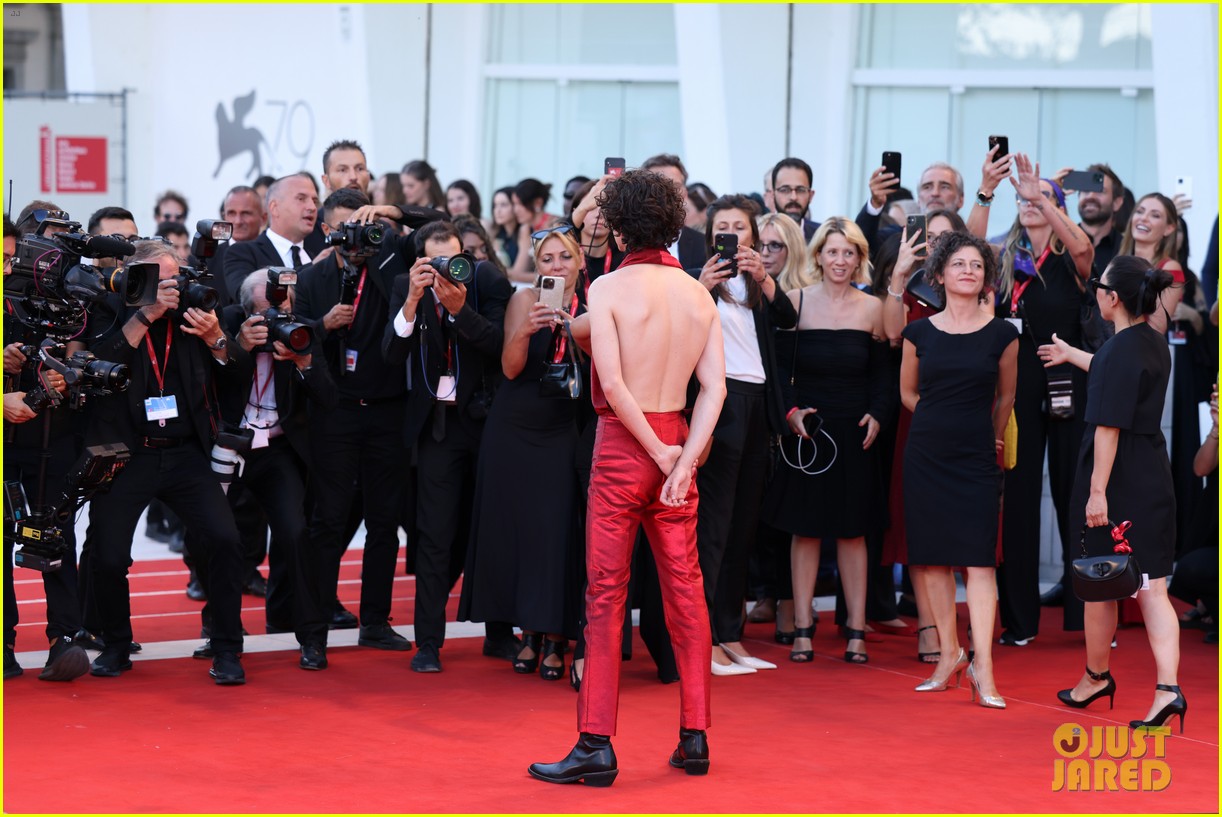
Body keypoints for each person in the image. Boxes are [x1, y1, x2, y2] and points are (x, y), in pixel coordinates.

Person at [528, 168, 725, 787]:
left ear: (617, 228)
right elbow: (716, 390)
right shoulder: (697, 293)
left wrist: (660, 453)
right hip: (678, 444)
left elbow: (612, 384)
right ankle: (695, 735)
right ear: (673, 225)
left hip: (623, 447)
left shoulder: (609, 286)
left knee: (606, 596)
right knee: (686, 591)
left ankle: (596, 743)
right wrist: (683, 458)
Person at [82, 240, 249, 684]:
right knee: (109, 555)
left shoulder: (194, 311)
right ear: (136, 279)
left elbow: (239, 372)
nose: (172, 290)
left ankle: (226, 646)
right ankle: (116, 645)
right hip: (126, 453)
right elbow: (99, 365)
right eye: (161, 281)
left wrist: (216, 338)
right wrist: (145, 315)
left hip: (185, 453)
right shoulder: (109, 307)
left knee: (225, 540)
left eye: (176, 279)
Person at [291, 190, 445, 669]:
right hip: (334, 411)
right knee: (327, 522)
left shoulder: (390, 258)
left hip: (388, 410)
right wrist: (324, 325)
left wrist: (390, 213)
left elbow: (439, 222)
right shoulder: (312, 278)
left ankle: (375, 621)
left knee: (384, 522)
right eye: (343, 228)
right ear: (325, 230)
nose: (353, 237)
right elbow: (295, 337)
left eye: (360, 225)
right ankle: (313, 634)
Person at [1042, 256, 1184, 732]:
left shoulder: (1121, 349)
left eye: (1098, 286)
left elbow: (1108, 426)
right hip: (1151, 475)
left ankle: (1098, 676)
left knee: (1100, 582)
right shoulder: (1151, 341)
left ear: (1112, 297)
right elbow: (1114, 372)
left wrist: (1097, 492)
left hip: (1118, 479)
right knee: (1152, 588)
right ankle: (1163, 689)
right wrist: (1073, 355)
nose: (1095, 293)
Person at [384, 220, 516, 674]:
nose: (444, 269)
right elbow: (390, 354)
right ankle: (428, 643)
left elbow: (500, 346)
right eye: (433, 260)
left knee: (493, 529)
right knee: (434, 534)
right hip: (436, 428)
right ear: (418, 259)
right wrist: (411, 302)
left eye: (452, 259)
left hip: (484, 423)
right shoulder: (406, 286)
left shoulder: (485, 280)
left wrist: (460, 311)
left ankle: (500, 633)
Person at [458, 226, 587, 681]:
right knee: (519, 534)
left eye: (564, 257)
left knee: (555, 533)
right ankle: (529, 632)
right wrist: (527, 330)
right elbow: (510, 369)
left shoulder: (594, 304)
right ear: (536, 266)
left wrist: (575, 329)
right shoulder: (522, 300)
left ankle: (556, 637)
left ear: (579, 261)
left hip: (562, 428)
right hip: (513, 426)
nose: (556, 266)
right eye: (547, 259)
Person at [760, 217, 889, 665]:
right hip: (809, 432)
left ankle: (856, 630)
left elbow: (882, 373)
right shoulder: (795, 301)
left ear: (859, 259)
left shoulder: (873, 308)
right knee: (806, 530)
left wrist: (879, 412)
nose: (840, 260)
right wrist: (791, 412)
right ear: (818, 255)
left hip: (856, 430)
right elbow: (778, 369)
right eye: (832, 251)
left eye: (849, 252)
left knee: (854, 533)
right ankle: (802, 628)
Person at [980, 152, 1094, 644]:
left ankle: (1089, 615)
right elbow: (967, 249)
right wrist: (989, 191)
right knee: (1019, 498)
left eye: (1045, 197)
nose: (1030, 201)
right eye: (1025, 197)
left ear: (1059, 207)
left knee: (1076, 496)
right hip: (1018, 383)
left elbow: (1086, 249)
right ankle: (1020, 621)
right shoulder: (1004, 255)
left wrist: (1042, 200)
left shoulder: (1071, 257)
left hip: (1070, 378)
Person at [900, 231, 1018, 706]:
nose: (968, 271)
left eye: (976, 265)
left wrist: (990, 434)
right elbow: (907, 393)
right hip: (926, 455)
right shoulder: (918, 334)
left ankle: (983, 667)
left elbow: (1006, 396)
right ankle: (949, 654)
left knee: (980, 561)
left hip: (975, 457)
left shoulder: (1003, 334)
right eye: (958, 264)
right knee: (932, 557)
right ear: (940, 274)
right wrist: (937, 420)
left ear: (986, 277)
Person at [691, 196, 797, 676]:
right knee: (714, 525)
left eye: (740, 226)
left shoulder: (758, 283)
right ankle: (705, 639)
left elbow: (788, 318)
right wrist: (702, 285)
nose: (731, 233)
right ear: (711, 234)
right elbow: (683, 325)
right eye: (723, 226)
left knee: (743, 526)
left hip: (759, 406)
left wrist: (764, 277)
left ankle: (730, 633)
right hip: (720, 401)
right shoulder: (698, 281)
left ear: (752, 235)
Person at [745, 211, 809, 638]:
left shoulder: (805, 294)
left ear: (793, 249)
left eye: (775, 246)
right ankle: (766, 593)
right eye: (761, 245)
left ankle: (789, 601)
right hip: (761, 410)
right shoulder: (745, 288)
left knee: (790, 517)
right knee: (759, 517)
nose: (766, 253)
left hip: (797, 412)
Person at [1117, 192, 1185, 336]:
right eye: (1140, 211)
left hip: (1138, 348)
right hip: (1105, 346)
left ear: (1169, 228)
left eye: (1155, 215)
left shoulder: (1169, 268)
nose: (1143, 218)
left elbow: (1156, 329)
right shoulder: (1118, 260)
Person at [508, 178, 559, 283]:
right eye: (514, 204)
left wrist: (508, 273)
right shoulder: (525, 229)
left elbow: (554, 274)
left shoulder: (555, 225)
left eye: (520, 204)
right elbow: (518, 270)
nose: (515, 210)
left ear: (538, 203)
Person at [490, 186, 520, 271]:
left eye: (503, 205)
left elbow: (518, 272)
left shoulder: (524, 232)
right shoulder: (498, 234)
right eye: (495, 205)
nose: (498, 210)